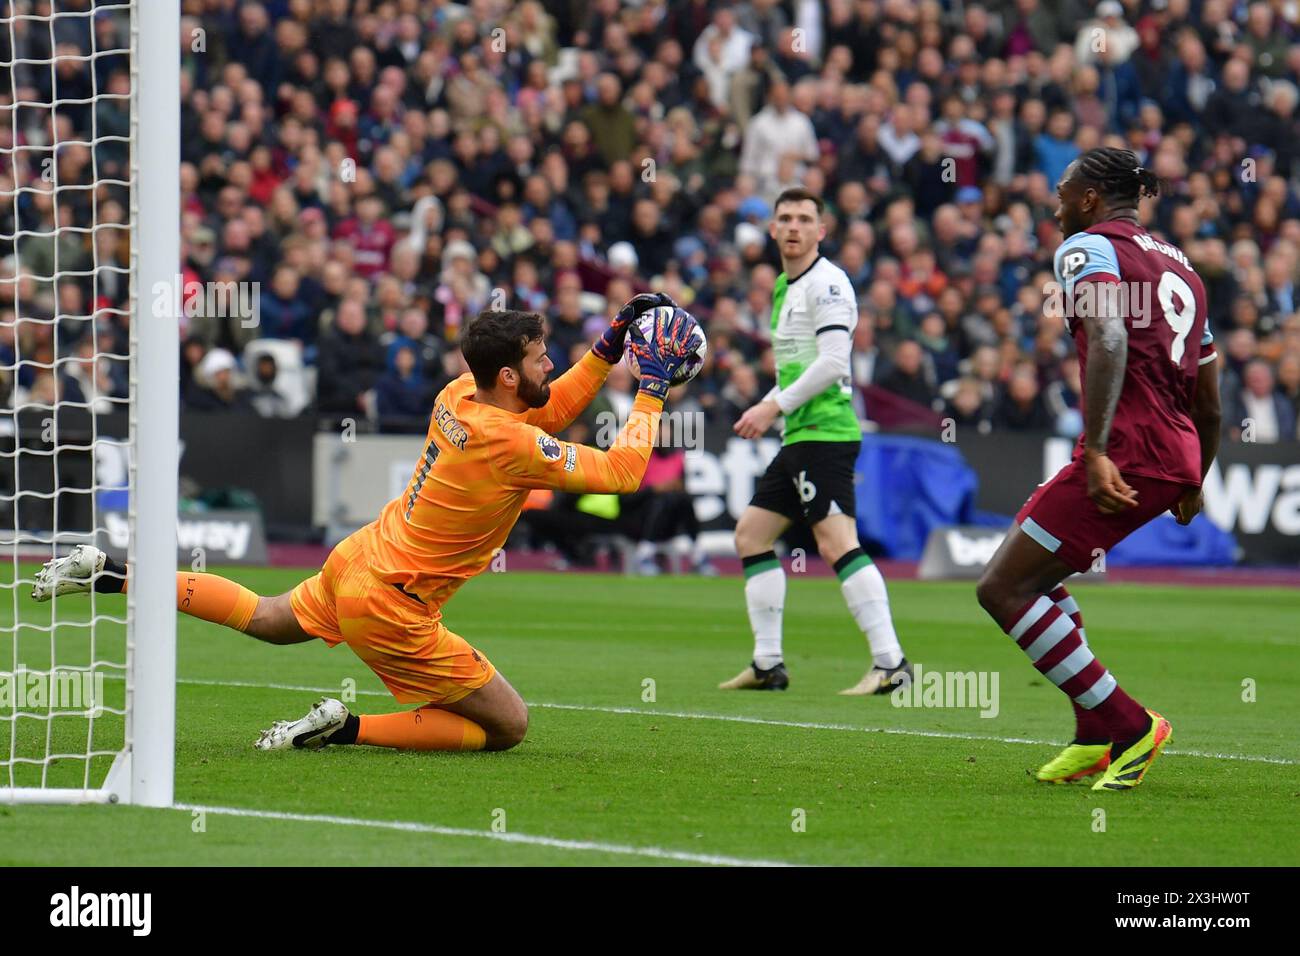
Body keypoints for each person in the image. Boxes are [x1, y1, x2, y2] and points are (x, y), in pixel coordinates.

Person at [33, 297, 695, 755]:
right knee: (508, 726)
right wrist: (653, 387)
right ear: (507, 374)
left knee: (267, 617)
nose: (551, 364)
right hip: (393, 602)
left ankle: (115, 574)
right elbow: (621, 472)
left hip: (361, 556)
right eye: (542, 357)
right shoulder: (508, 442)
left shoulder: (460, 395)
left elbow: (547, 410)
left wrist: (610, 344)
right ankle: (349, 728)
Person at [976, 147, 1221, 792]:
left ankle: (1129, 724)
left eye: (1063, 190)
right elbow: (1210, 398)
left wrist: (1104, 449)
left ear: (1089, 198)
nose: (1055, 202)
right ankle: (1091, 737)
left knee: (1002, 589)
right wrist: (1197, 474)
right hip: (1171, 450)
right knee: (1035, 566)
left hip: (1128, 448)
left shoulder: (1088, 248)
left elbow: (1110, 335)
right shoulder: (1185, 269)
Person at [719, 186, 912, 695]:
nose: (794, 226)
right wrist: (768, 403)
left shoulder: (828, 284)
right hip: (800, 434)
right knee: (752, 536)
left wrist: (771, 406)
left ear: (821, 231)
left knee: (836, 542)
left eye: (805, 219)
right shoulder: (786, 285)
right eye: (785, 218)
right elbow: (799, 368)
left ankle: (891, 662)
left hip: (824, 434)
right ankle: (767, 665)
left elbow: (833, 364)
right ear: (772, 228)